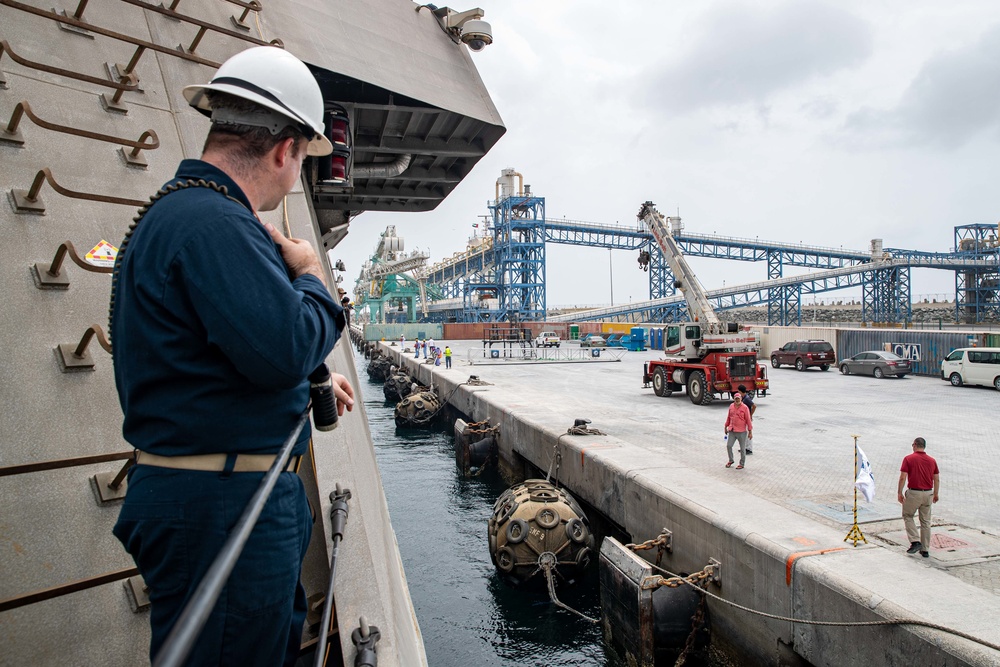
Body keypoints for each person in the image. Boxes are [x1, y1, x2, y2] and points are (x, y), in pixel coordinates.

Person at [109, 46, 355, 666]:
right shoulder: (216, 224)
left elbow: (223, 361)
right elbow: (288, 347)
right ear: (285, 150)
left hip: (213, 493)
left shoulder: (186, 214)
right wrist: (311, 277)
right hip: (222, 506)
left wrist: (307, 387)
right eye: (303, 160)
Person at [897, 437, 940, 558]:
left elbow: (902, 477)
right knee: (925, 521)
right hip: (928, 494)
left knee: (908, 515)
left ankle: (915, 541)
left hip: (914, 493)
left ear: (915, 445)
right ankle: (925, 549)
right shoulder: (932, 461)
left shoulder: (908, 459)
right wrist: (936, 493)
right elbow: (936, 478)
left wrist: (899, 492)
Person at [724, 393, 752, 469]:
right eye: (735, 399)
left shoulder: (745, 408)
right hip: (732, 430)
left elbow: (748, 420)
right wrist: (726, 426)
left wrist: (750, 432)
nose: (737, 400)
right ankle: (731, 460)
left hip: (742, 432)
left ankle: (742, 464)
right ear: (734, 399)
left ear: (741, 399)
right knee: (729, 446)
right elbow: (729, 417)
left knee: (742, 449)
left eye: (738, 399)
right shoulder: (731, 406)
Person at [737, 385, 756, 454]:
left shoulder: (747, 399)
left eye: (738, 391)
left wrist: (750, 415)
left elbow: (754, 406)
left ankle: (749, 448)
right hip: (744, 419)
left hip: (747, 419)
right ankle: (744, 447)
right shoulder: (743, 398)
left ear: (740, 391)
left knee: (748, 433)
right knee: (744, 433)